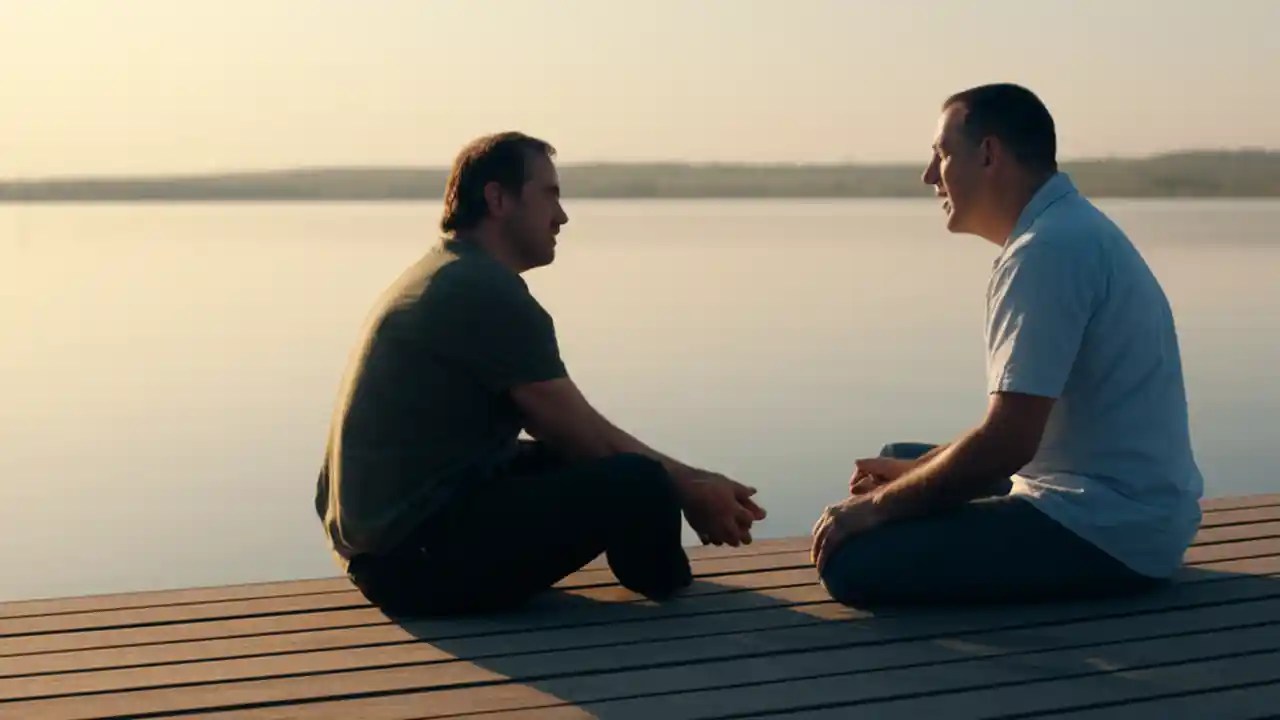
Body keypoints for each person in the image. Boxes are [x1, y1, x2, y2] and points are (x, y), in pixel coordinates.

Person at [315, 132, 766, 615]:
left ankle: (661, 558)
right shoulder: (484, 292)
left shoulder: (446, 272)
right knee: (637, 482)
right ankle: (668, 585)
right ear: (498, 198)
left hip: (385, 552)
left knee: (588, 466)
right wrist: (691, 492)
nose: (562, 216)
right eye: (549, 194)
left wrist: (699, 482)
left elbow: (573, 438)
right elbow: (588, 438)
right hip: (414, 566)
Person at [811, 84, 1203, 606]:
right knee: (894, 461)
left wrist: (878, 510)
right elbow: (1018, 434)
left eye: (942, 155)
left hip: (1107, 529)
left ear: (989, 154)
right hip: (1117, 508)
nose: (930, 175)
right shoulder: (1065, 230)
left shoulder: (1046, 253)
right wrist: (912, 474)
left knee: (854, 558)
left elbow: (1008, 442)